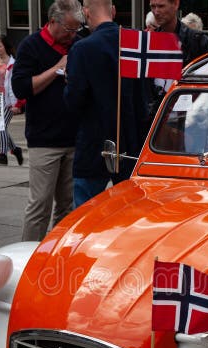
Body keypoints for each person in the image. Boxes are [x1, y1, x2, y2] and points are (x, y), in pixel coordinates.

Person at [64, 0, 150, 206]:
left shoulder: (82, 48)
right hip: (132, 142)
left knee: (85, 216)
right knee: (131, 212)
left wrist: (69, 82)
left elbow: (73, 101)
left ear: (86, 13)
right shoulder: (137, 42)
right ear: (113, 10)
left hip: (95, 143)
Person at [12, 0, 81, 240]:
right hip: (44, 140)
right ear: (53, 22)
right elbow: (21, 88)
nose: (73, 35)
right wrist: (57, 69)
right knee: (39, 205)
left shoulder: (78, 45)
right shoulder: (31, 46)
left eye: (77, 29)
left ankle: (58, 255)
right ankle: (27, 257)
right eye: (69, 29)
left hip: (73, 138)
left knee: (67, 206)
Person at [0, 34, 24, 166]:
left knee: (0, 125)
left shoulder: (13, 63)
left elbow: (14, 84)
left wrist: (16, 103)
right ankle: (15, 149)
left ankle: (3, 156)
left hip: (7, 99)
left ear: (5, 47)